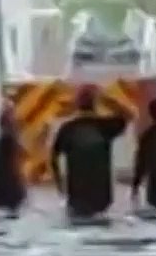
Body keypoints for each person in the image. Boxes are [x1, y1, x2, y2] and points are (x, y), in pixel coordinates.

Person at [49, 85, 129, 218]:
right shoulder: (105, 126)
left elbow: (53, 157)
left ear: (77, 104)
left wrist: (59, 185)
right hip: (102, 200)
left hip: (77, 199)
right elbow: (127, 115)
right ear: (95, 103)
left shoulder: (68, 129)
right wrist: (107, 98)